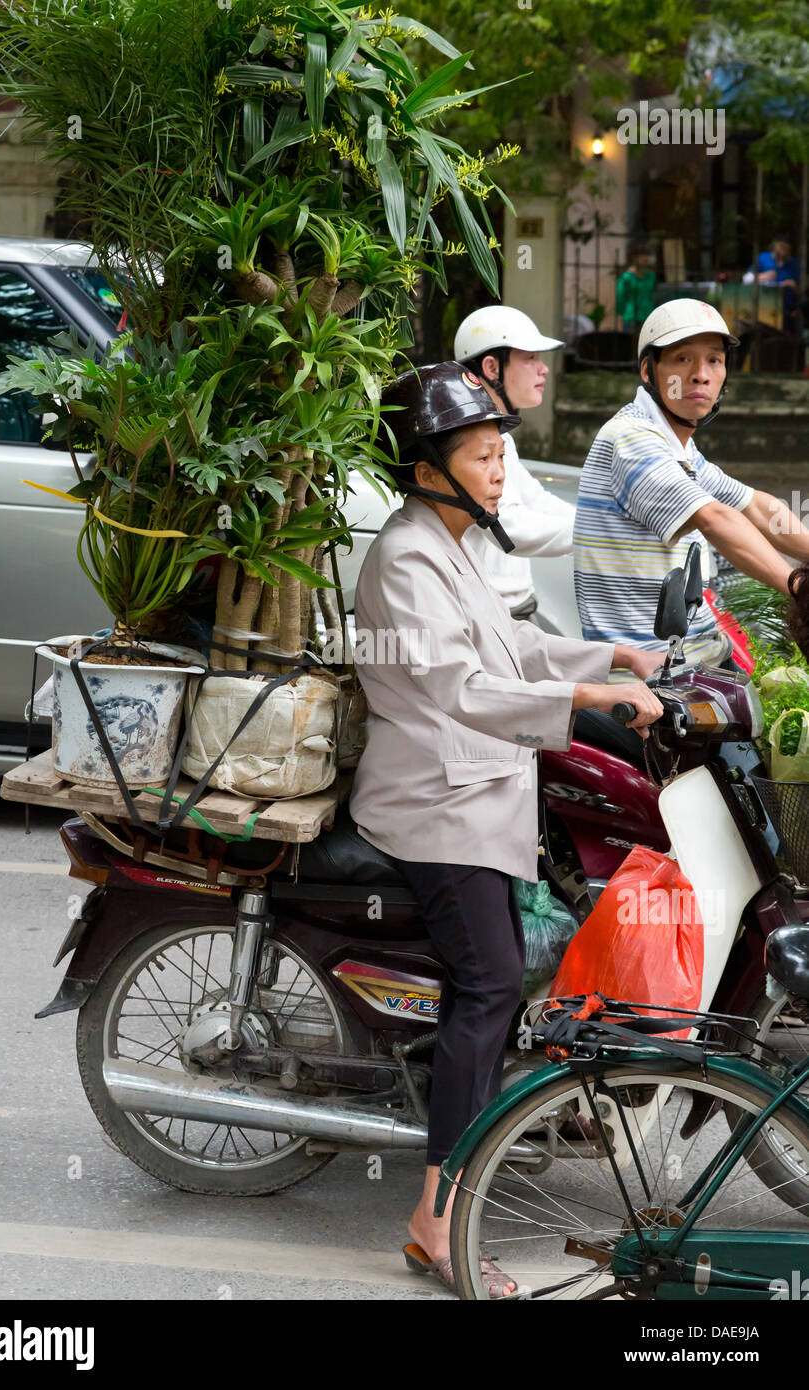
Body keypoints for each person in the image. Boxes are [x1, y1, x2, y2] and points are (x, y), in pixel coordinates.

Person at [350, 362, 663, 1297]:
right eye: (483, 455)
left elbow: (514, 647)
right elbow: (464, 688)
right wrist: (589, 694)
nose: (499, 470)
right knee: (485, 987)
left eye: (501, 452)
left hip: (477, 782)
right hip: (434, 803)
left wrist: (614, 653)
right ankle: (436, 1220)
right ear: (426, 468)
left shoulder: (453, 544)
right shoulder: (407, 555)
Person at [573, 298, 809, 666]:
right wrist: (798, 588)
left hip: (697, 657)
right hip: (651, 675)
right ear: (649, 371)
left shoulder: (679, 449)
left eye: (714, 360)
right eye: (683, 359)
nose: (701, 373)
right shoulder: (631, 437)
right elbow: (714, 518)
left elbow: (757, 506)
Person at [453, 305, 575, 621]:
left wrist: (600, 521)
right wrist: (598, 534)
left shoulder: (500, 435)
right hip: (485, 616)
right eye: (530, 358)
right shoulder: (469, 440)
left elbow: (537, 500)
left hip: (513, 609)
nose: (543, 368)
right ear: (492, 368)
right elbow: (508, 526)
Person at [756, 235, 801, 324]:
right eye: (781, 247)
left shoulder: (794, 263)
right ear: (774, 246)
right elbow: (747, 279)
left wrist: (793, 286)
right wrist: (762, 276)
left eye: (786, 248)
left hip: (787, 308)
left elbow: (801, 290)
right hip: (763, 305)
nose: (783, 251)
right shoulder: (763, 257)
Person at [616, 243, 658, 336]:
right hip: (631, 315)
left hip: (648, 315)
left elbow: (654, 295)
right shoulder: (626, 277)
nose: (646, 258)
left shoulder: (652, 276)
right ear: (634, 258)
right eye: (643, 255)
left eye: (648, 255)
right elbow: (620, 297)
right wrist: (620, 315)